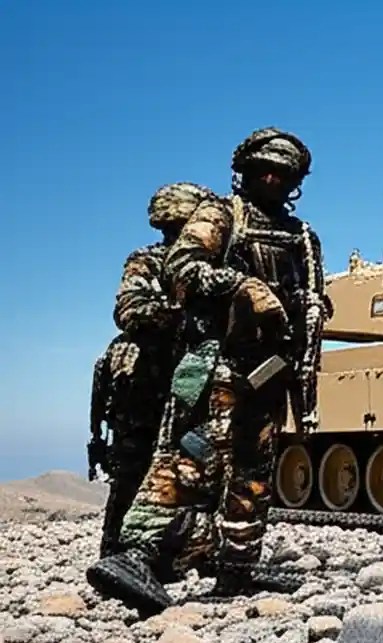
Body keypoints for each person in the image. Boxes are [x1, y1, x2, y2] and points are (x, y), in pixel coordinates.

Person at [86, 127, 329, 615]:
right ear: (244, 171)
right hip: (217, 361)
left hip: (270, 367)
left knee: (254, 472)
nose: (273, 178)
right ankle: (134, 555)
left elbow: (311, 295)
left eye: (284, 172)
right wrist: (239, 285)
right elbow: (184, 265)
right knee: (192, 458)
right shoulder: (221, 215)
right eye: (266, 168)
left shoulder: (302, 237)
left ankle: (236, 567)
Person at [90, 182, 219, 559]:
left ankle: (182, 551)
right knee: (135, 464)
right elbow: (129, 310)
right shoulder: (147, 262)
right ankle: (116, 554)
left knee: (197, 465)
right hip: (148, 376)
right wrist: (181, 316)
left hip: (195, 375)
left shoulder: (211, 266)